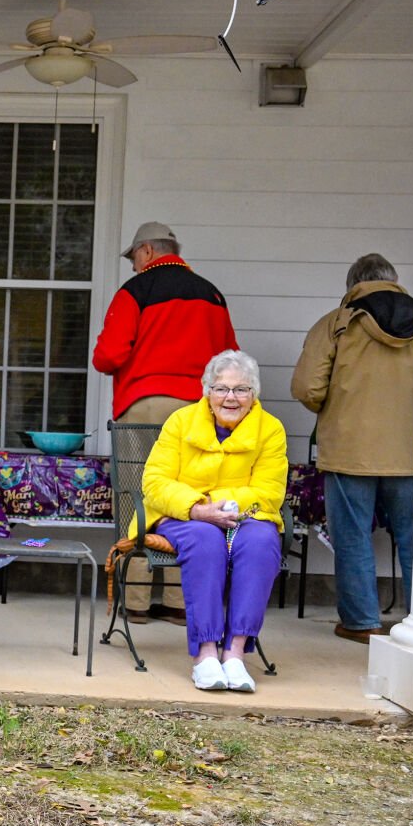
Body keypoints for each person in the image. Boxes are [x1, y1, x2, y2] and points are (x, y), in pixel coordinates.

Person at [94, 222, 239, 621]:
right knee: (190, 497)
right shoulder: (211, 294)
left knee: (136, 495)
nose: (133, 266)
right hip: (198, 410)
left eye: (133, 258)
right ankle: (179, 601)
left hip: (144, 404)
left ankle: (137, 601)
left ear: (146, 251)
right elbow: (231, 360)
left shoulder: (135, 291)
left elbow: (108, 356)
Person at [289, 254, 413, 644]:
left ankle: (362, 622)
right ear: (395, 280)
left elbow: (306, 388)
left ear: (352, 286)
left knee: (353, 537)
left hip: (350, 450)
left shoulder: (337, 323)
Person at [139, 350, 287, 694]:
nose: (230, 398)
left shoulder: (271, 429)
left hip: (245, 514)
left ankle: (234, 654)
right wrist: (198, 507)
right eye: (221, 389)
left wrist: (227, 507)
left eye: (241, 389)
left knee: (263, 542)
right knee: (205, 540)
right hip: (184, 515)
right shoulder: (180, 421)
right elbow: (155, 482)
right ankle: (206, 655)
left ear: (255, 394)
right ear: (207, 390)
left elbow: (270, 490)